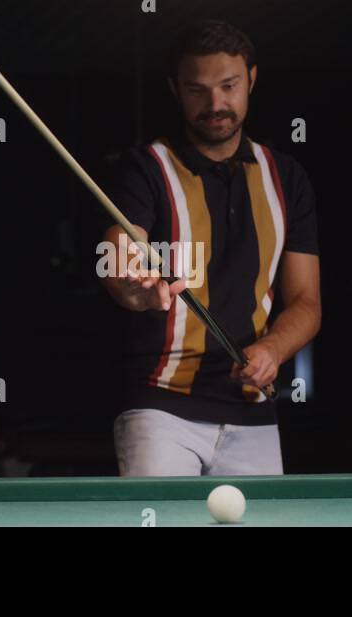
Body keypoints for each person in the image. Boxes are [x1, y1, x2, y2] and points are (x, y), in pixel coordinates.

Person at [103, 20, 322, 477]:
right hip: (160, 411)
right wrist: (134, 287)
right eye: (197, 90)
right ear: (175, 89)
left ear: (252, 80)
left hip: (254, 413)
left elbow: (306, 303)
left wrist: (274, 350)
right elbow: (120, 252)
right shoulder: (145, 168)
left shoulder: (287, 178)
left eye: (229, 86)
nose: (215, 104)